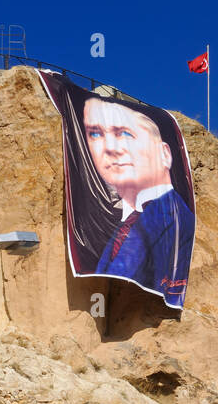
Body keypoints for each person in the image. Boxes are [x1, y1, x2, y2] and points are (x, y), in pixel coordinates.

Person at [82, 96, 195, 309]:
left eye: (125, 134)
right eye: (96, 134)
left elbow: (123, 278)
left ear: (164, 154)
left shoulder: (173, 217)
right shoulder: (124, 220)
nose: (111, 148)